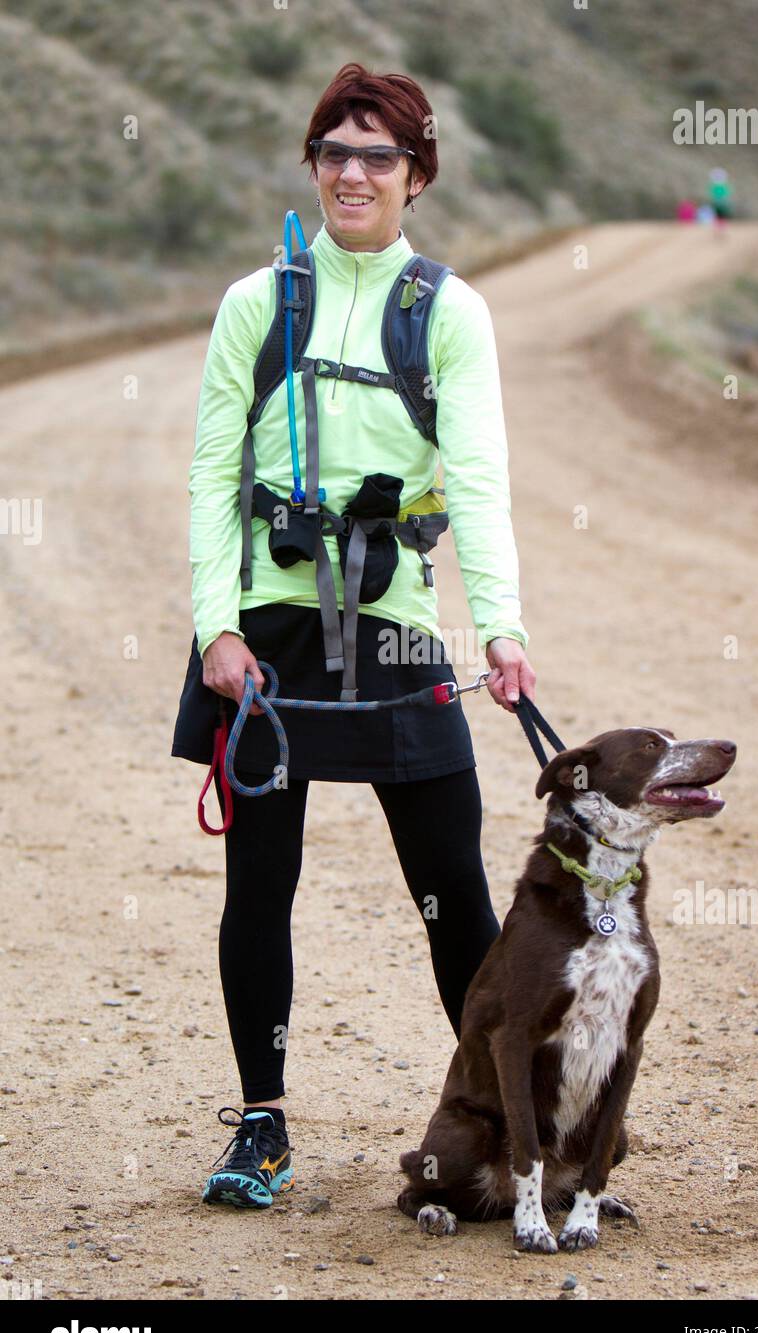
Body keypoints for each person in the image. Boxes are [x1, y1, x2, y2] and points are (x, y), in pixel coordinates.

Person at [170, 62, 535, 1209]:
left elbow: (479, 482)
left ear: (417, 175)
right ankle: (262, 1124)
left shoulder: (448, 311)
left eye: (379, 155)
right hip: (265, 634)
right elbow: (211, 475)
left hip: (392, 623)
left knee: (454, 888)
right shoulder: (254, 304)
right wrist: (216, 627)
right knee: (258, 887)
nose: (354, 173)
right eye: (335, 151)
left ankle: (506, 1124)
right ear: (314, 166)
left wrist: (501, 627)